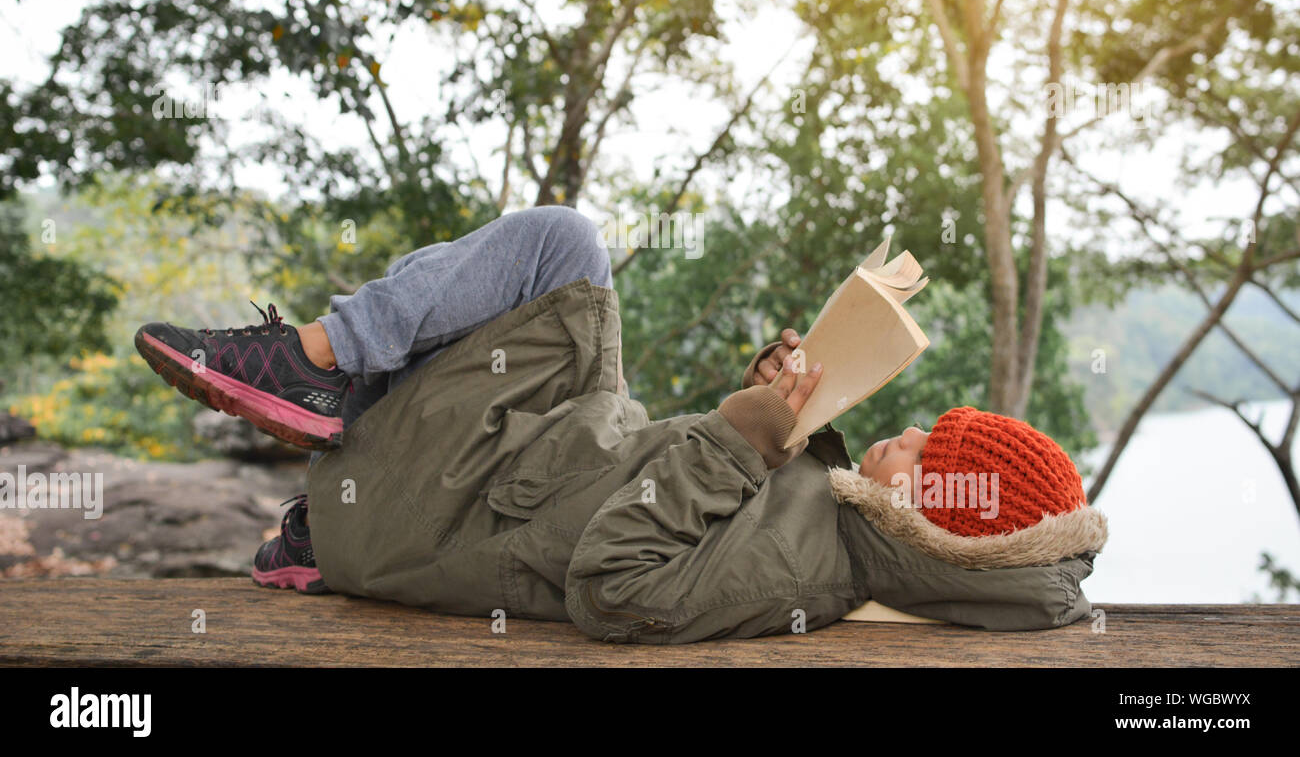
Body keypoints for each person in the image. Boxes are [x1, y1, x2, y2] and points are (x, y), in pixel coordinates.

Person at [135, 205, 1107, 643]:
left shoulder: (805, 568)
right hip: (508, 483)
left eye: (926, 455)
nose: (903, 439)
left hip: (453, 513)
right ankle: (329, 429)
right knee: (550, 275)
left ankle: (316, 371)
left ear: (945, 516)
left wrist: (741, 438)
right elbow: (666, 485)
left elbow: (613, 586)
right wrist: (757, 405)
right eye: (927, 428)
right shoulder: (845, 526)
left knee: (561, 248)